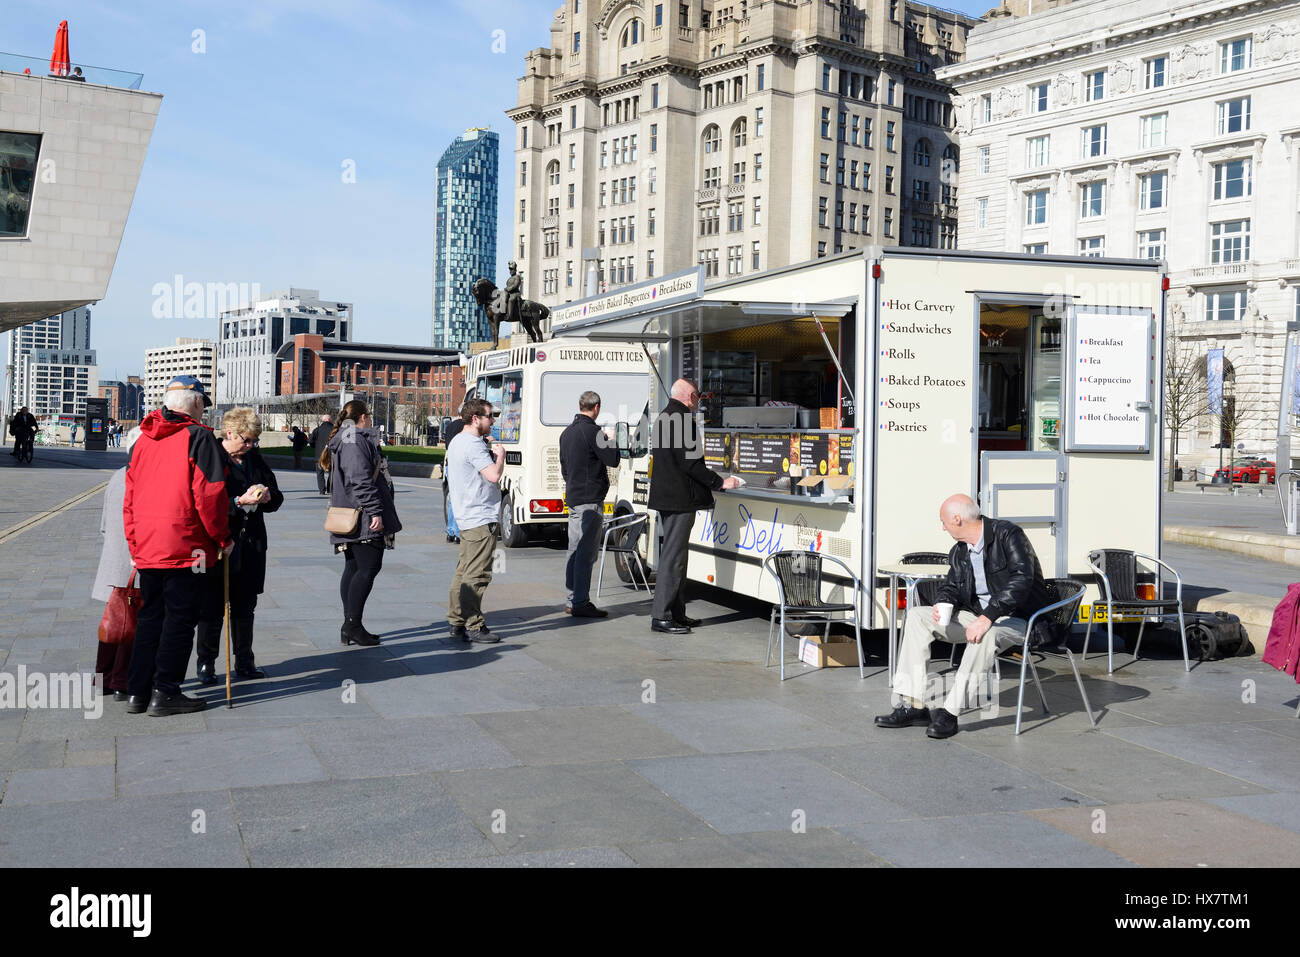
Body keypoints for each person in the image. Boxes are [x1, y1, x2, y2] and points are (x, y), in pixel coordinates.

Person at [875, 493, 1050, 739]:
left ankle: (950, 713)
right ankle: (913, 706)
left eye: (943, 521)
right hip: (980, 617)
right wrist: (943, 601)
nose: (942, 527)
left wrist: (988, 616)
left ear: (957, 519)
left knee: (986, 636)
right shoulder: (959, 551)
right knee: (916, 616)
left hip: (1022, 620)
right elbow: (951, 586)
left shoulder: (1008, 535)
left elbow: (1022, 580)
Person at [123, 376, 232, 716]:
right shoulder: (198, 437)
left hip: (150, 545)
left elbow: (129, 498)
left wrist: (134, 541)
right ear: (197, 403)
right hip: (188, 548)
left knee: (151, 616)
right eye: (204, 405)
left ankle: (138, 691)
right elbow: (210, 494)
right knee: (181, 619)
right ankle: (166, 690)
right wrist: (223, 539)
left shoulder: (142, 440)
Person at [194, 408, 284, 683]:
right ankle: (206, 663)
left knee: (246, 605)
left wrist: (267, 497)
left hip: (252, 543)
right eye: (246, 440)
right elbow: (205, 503)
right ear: (230, 433)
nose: (250, 445)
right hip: (221, 542)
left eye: (254, 440)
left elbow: (277, 497)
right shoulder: (213, 457)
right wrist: (237, 502)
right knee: (211, 607)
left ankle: (245, 660)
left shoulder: (254, 459)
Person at [647, 379, 740, 635]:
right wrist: (720, 482)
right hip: (679, 499)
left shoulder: (664, 417)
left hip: (668, 498)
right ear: (690, 396)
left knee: (676, 558)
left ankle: (677, 613)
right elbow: (691, 464)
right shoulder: (684, 421)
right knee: (674, 559)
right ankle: (662, 616)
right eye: (698, 396)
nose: (698, 401)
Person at [322, 399, 402, 646]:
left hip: (354, 513)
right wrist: (375, 511)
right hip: (363, 515)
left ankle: (351, 625)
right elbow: (360, 480)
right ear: (363, 417)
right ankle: (352, 625)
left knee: (355, 566)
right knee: (368, 567)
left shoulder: (348, 438)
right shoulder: (354, 440)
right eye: (369, 415)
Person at [445, 397, 505, 643]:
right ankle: (473, 625)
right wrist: (500, 455)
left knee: (463, 572)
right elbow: (493, 475)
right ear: (475, 418)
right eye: (490, 416)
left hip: (467, 515)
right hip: (480, 517)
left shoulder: (458, 441)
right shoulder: (473, 445)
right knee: (477, 574)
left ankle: (456, 620)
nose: (493, 420)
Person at [91, 427, 143, 701]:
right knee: (130, 622)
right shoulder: (143, 478)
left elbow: (102, 526)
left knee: (113, 622)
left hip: (114, 560)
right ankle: (122, 681)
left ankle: (103, 679)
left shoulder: (116, 476)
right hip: (134, 562)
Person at [559, 390, 620, 618]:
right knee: (586, 552)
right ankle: (581, 602)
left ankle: (571, 598)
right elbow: (612, 459)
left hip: (574, 497)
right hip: (591, 499)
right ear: (596, 408)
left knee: (574, 550)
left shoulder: (567, 433)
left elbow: (565, 468)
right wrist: (612, 438)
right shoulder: (594, 432)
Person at [441, 414, 465, 543]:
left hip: (450, 465)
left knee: (452, 500)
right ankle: (457, 532)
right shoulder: (465, 427)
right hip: (459, 466)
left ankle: (450, 531)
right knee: (459, 500)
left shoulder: (450, 426)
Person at [310, 413, 333, 495]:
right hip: (331, 455)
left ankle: (322, 490)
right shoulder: (334, 429)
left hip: (319, 455)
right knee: (332, 472)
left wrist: (315, 446)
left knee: (320, 473)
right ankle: (330, 489)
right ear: (329, 420)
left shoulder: (317, 430)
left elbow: (311, 441)